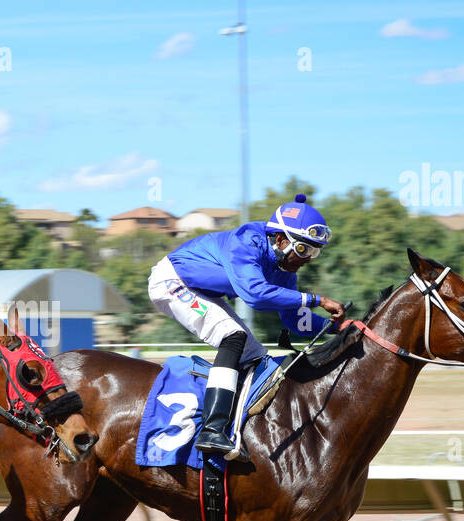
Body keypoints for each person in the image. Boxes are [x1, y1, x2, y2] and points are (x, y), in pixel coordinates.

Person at [147, 194, 346, 459]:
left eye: (314, 251)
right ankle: (211, 430)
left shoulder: (284, 269)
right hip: (173, 282)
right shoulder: (247, 241)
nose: (307, 258)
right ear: (280, 239)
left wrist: (336, 328)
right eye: (303, 249)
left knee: (256, 357)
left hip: (204, 292)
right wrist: (316, 299)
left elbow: (294, 319)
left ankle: (237, 427)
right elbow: (255, 295)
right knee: (234, 336)